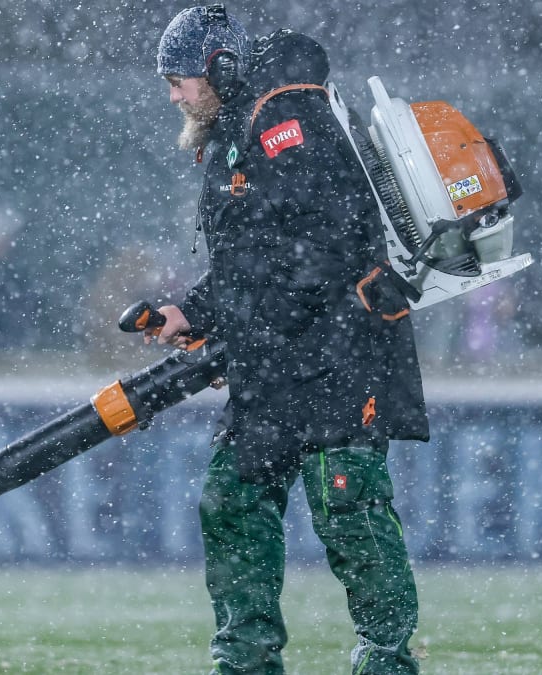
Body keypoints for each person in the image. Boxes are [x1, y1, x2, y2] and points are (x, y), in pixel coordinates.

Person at [149, 6, 429, 673]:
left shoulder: (286, 122)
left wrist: (251, 328)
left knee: (347, 506)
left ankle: (387, 659)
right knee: (233, 499)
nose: (174, 95)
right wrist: (187, 313)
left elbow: (325, 245)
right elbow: (253, 263)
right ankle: (245, 661)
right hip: (275, 364)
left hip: (340, 356)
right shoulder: (233, 140)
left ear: (219, 68)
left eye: (181, 79)